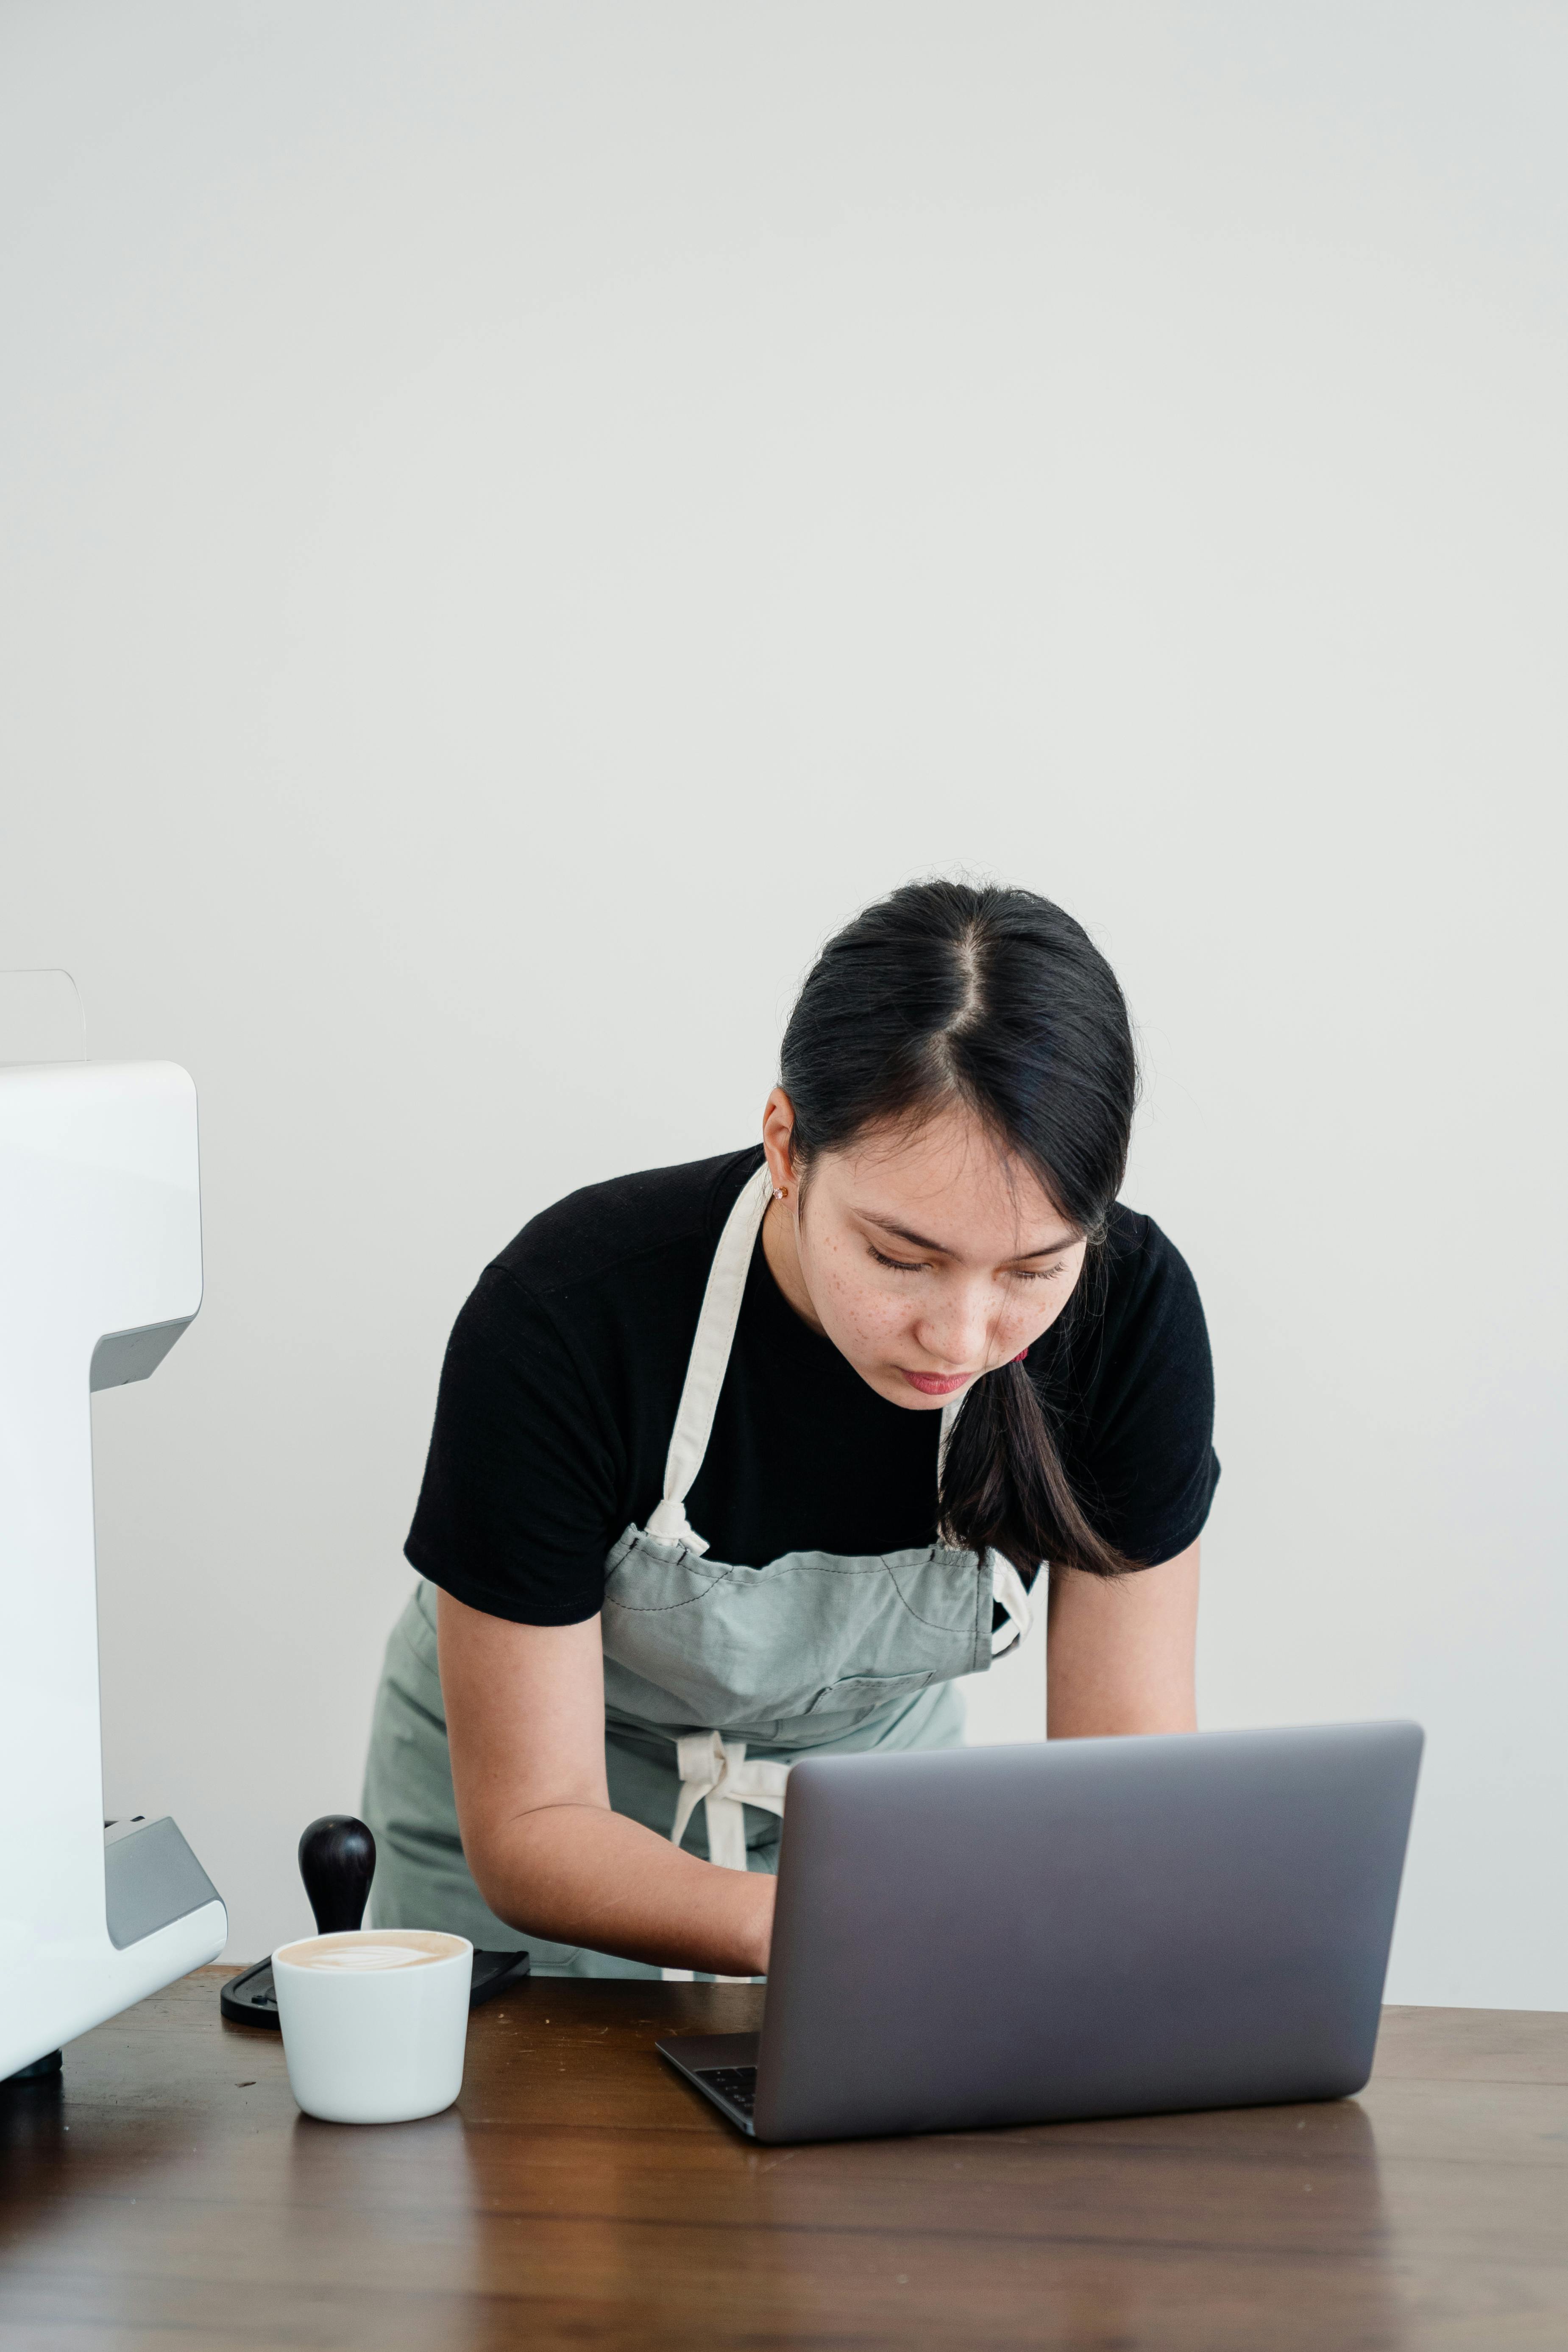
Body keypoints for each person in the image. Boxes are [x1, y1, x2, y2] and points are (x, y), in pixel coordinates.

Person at [362, 880, 1218, 1979]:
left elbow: (1124, 1780)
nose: (961, 1333)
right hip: (556, 1841)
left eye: (1031, 1268)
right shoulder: (568, 1315)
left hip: (874, 1828)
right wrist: (816, 1922)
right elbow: (533, 1821)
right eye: (899, 1257)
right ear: (785, 1146)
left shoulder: (1127, 1317)